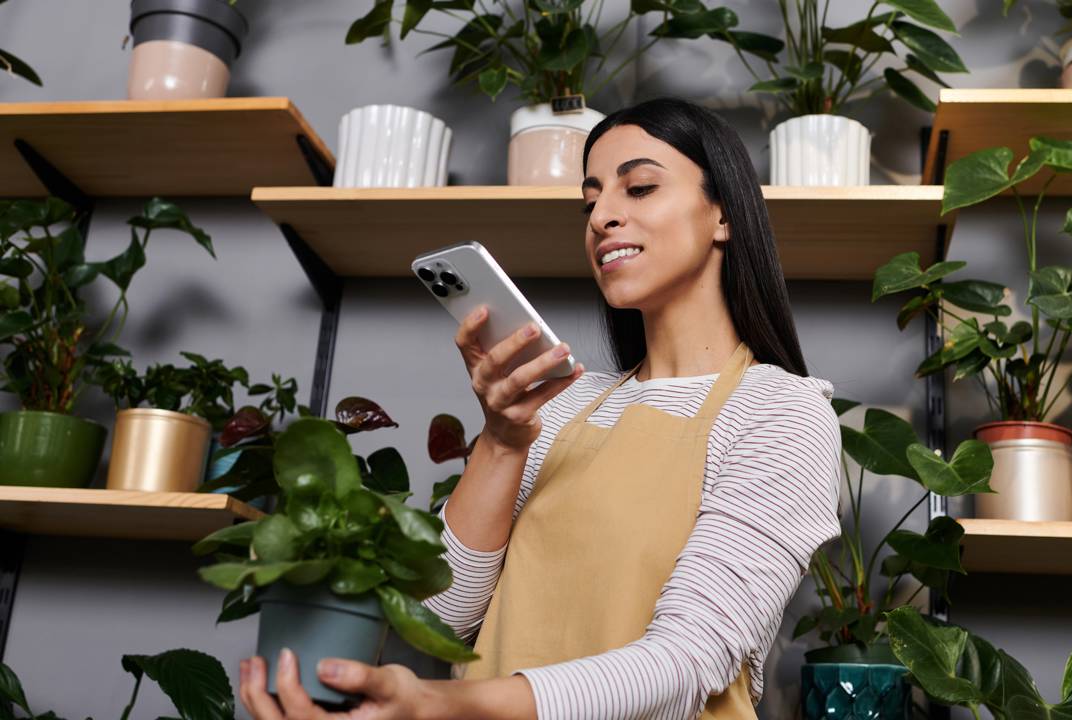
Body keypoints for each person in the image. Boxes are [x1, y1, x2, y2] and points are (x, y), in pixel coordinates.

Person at [238, 96, 842, 720]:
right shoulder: (561, 402)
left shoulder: (782, 415)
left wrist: (431, 705)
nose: (602, 216)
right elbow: (447, 615)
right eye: (590, 201)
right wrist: (501, 440)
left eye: (638, 188)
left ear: (722, 215)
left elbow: (685, 665)